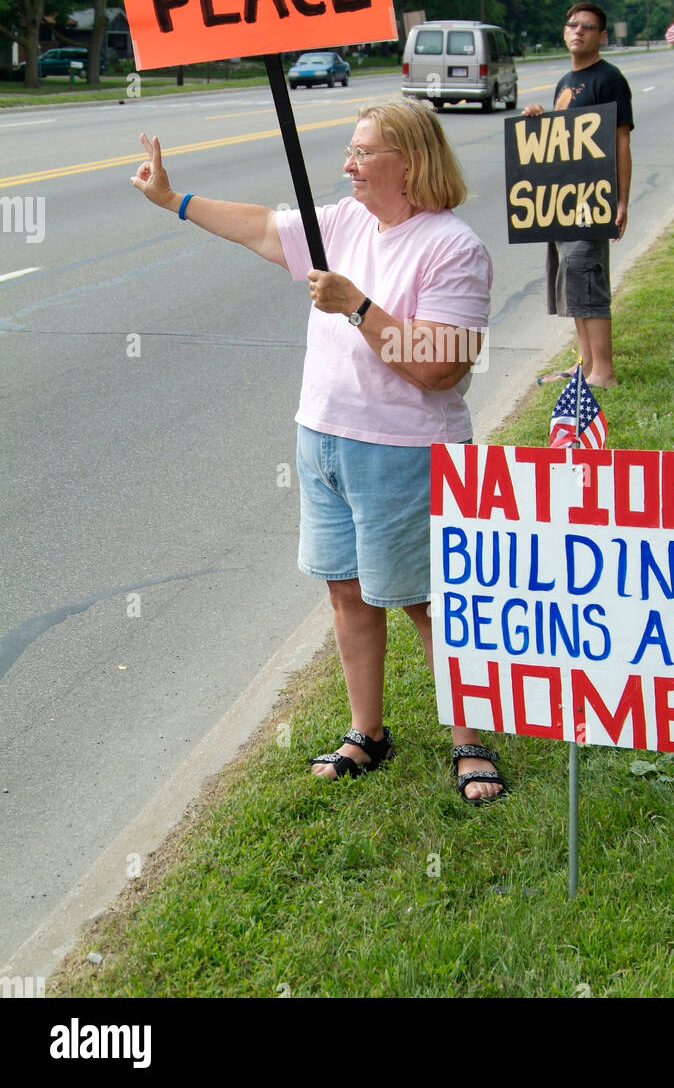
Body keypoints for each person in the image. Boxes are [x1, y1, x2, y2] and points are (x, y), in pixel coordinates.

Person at [131, 100, 506, 805]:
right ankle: (369, 731)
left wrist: (359, 307)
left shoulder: (452, 246)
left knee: (429, 604)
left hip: (404, 452)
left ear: (411, 161)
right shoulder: (341, 223)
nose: (349, 164)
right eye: (351, 150)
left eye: (364, 152)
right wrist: (173, 200)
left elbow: (441, 368)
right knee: (345, 591)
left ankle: (469, 741)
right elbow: (261, 227)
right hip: (324, 440)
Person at [523, 2, 633, 388]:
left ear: (602, 36)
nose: (578, 31)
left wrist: (621, 200)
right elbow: (557, 143)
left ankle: (603, 372)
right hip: (562, 202)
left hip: (592, 200)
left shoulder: (609, 79)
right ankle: (584, 365)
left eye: (587, 27)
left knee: (588, 275)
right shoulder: (565, 82)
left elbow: (621, 142)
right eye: (572, 25)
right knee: (572, 277)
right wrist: (538, 119)